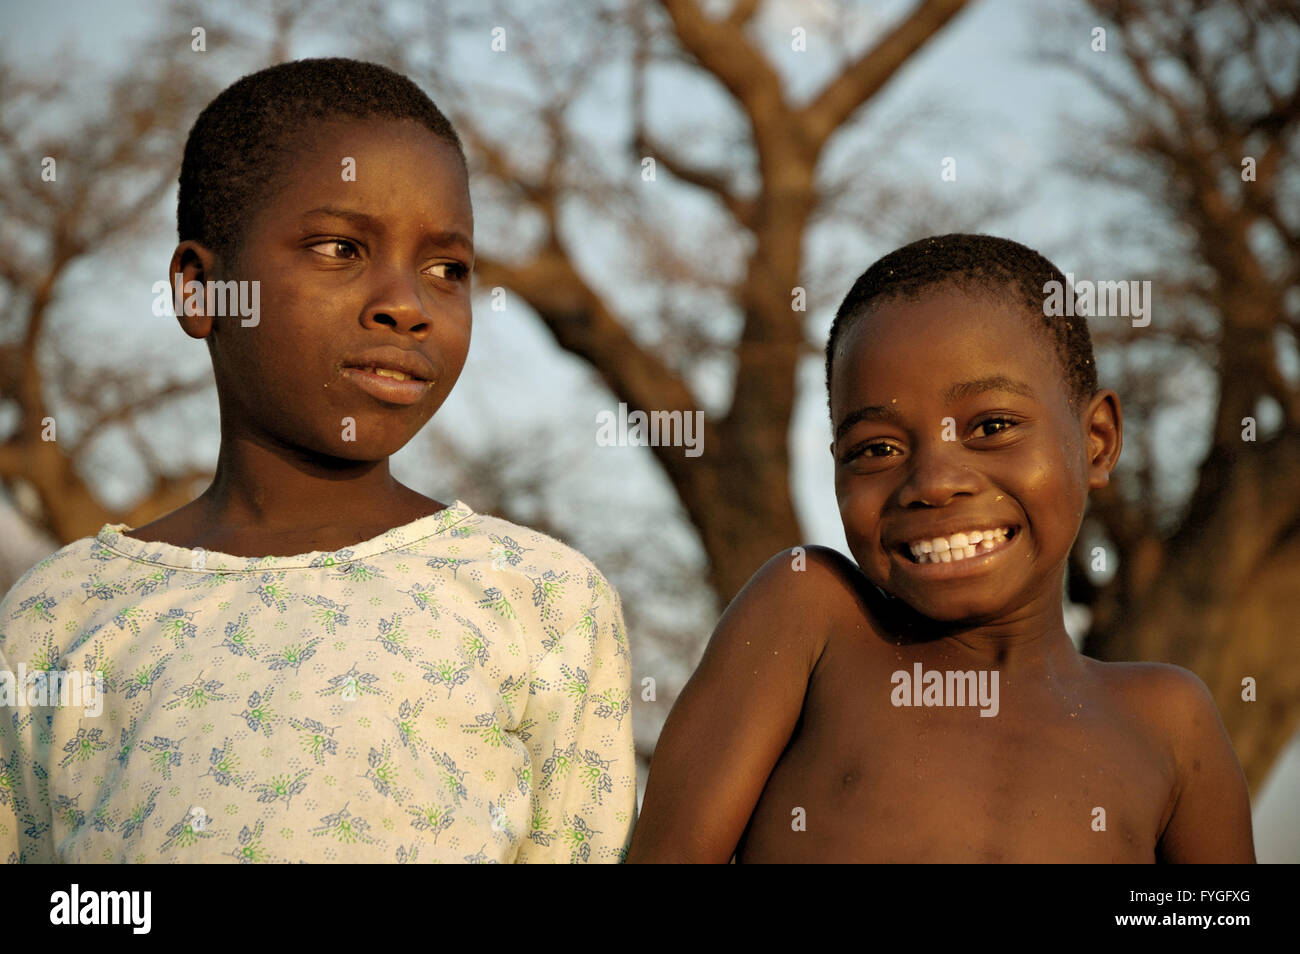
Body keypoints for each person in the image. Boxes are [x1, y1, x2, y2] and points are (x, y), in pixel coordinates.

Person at [0, 58, 635, 864]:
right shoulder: (59, 616)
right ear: (201, 290)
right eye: (340, 247)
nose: (406, 304)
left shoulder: (540, 600)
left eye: (448, 269)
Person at [627, 234, 1255, 863]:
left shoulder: (1167, 721)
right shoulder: (810, 616)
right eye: (877, 449)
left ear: (1096, 441)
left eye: (991, 428)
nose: (932, 482)